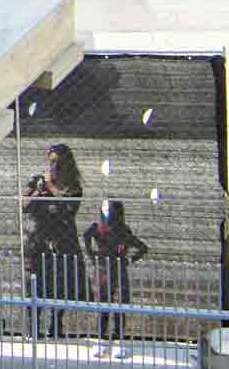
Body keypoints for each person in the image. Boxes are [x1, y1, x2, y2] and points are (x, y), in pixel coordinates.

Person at [21, 143, 86, 340]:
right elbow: (24, 206)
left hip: (62, 239)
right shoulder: (40, 181)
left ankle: (56, 324)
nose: (53, 166)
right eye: (51, 161)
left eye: (56, 161)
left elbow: (68, 211)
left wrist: (50, 188)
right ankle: (33, 325)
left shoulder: (73, 187)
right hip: (40, 238)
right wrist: (35, 192)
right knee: (36, 282)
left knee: (60, 283)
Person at [83, 199, 151, 357]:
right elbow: (86, 236)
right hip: (103, 272)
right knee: (103, 307)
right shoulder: (98, 228)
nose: (107, 214)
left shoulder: (123, 230)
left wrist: (128, 260)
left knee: (120, 308)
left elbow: (142, 247)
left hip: (118, 272)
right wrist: (92, 256)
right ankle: (101, 341)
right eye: (105, 210)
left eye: (111, 211)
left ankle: (119, 342)